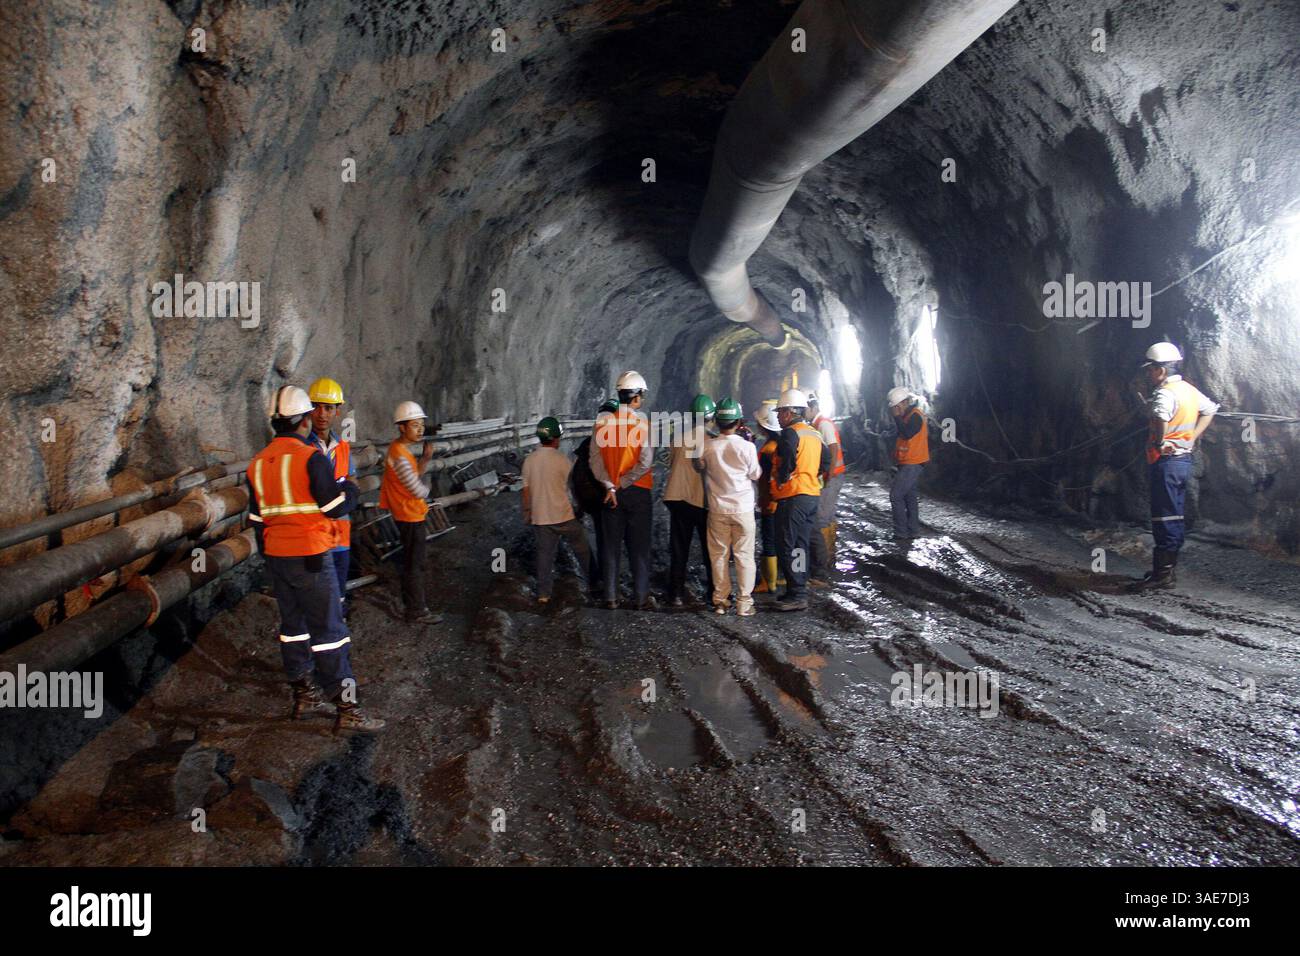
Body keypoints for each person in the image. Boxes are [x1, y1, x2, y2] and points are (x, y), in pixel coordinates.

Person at [247, 386, 382, 733]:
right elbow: (333, 506)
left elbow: (257, 521)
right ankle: (347, 708)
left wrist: (272, 557)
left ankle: (304, 694)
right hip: (310, 555)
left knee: (293, 630)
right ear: (305, 420)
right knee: (330, 632)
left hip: (278, 558)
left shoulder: (258, 464)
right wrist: (351, 490)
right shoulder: (311, 458)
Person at [1137, 342, 1217, 589]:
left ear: (1161, 370)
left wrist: (1160, 441)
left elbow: (1161, 417)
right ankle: (1164, 570)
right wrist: (1192, 436)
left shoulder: (1165, 393)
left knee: (1164, 516)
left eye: (1150, 369)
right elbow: (1210, 409)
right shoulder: (1188, 390)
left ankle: (1164, 575)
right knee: (1173, 513)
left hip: (1166, 461)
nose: (1148, 374)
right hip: (1182, 460)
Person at [591, 371, 656, 610]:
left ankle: (610, 597)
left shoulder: (602, 424)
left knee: (610, 546)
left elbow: (594, 460)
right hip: (636, 491)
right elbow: (645, 463)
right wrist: (622, 483)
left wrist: (610, 485)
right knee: (639, 548)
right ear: (637, 397)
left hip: (609, 494)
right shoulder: (643, 424)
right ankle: (639, 598)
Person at [379, 400, 442, 625]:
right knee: (414, 564)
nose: (420, 429)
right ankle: (416, 611)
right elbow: (416, 488)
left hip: (409, 513)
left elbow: (412, 478)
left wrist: (424, 460)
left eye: (421, 425)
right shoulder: (399, 455)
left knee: (413, 561)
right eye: (414, 425)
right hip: (409, 515)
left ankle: (412, 606)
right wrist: (429, 491)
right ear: (402, 427)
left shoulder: (400, 450)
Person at [696, 397, 761, 616]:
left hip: (718, 509)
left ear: (716, 420)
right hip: (742, 509)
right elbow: (755, 474)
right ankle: (744, 603)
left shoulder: (708, 447)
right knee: (744, 555)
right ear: (738, 421)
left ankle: (721, 601)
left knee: (719, 555)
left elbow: (700, 465)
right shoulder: (748, 447)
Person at [771, 388, 829, 612]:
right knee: (800, 545)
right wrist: (812, 476)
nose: (777, 416)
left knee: (786, 543)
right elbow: (826, 459)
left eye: (780, 412)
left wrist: (783, 478)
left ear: (789, 412)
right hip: (811, 495)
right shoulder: (814, 433)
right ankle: (798, 588)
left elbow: (787, 460)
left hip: (793, 495)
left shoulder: (790, 433)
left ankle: (796, 593)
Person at [522, 417, 591, 605]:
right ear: (555, 439)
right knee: (583, 550)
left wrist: (527, 512)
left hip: (541, 517)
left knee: (544, 556)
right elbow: (573, 488)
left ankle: (544, 594)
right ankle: (596, 584)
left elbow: (526, 491)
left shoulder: (529, 460)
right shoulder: (563, 460)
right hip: (564, 515)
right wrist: (580, 509)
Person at [306, 377, 355, 619]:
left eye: (328, 408)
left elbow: (351, 479)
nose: (321, 414)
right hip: (312, 532)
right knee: (315, 589)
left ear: (337, 412)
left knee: (338, 585)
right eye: (316, 406)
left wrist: (349, 492)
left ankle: (339, 626)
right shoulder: (302, 446)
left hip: (340, 532)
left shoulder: (343, 446)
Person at [664, 394, 715, 606]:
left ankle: (676, 594)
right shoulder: (712, 442)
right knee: (710, 549)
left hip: (677, 498)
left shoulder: (678, 439)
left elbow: (670, 463)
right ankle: (714, 592)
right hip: (702, 502)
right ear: (711, 417)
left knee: (679, 548)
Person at [571, 398, 619, 593]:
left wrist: (580, 504)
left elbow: (576, 474)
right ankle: (608, 585)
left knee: (602, 538)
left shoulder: (588, 442)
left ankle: (600, 580)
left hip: (589, 499)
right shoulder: (613, 443)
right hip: (604, 499)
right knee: (609, 541)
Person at [805, 390, 846, 586]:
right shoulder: (815, 424)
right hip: (829, 474)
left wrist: (828, 474)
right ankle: (828, 556)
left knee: (823, 516)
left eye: (805, 409)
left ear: (813, 408)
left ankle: (827, 559)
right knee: (825, 515)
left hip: (834, 474)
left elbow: (833, 448)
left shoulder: (824, 424)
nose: (803, 413)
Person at [887, 386, 928, 540]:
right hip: (907, 462)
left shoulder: (916, 416)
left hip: (913, 462)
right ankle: (913, 530)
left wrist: (897, 417)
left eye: (897, 407)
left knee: (896, 495)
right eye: (895, 408)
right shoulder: (907, 416)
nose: (896, 410)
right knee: (909, 496)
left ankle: (901, 532)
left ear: (904, 403)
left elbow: (907, 433)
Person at [753, 402, 781, 595]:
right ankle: (783, 576)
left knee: (769, 540)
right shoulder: (783, 444)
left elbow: (761, 476)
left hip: (770, 500)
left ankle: (768, 582)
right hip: (784, 499)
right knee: (782, 539)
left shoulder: (767, 450)